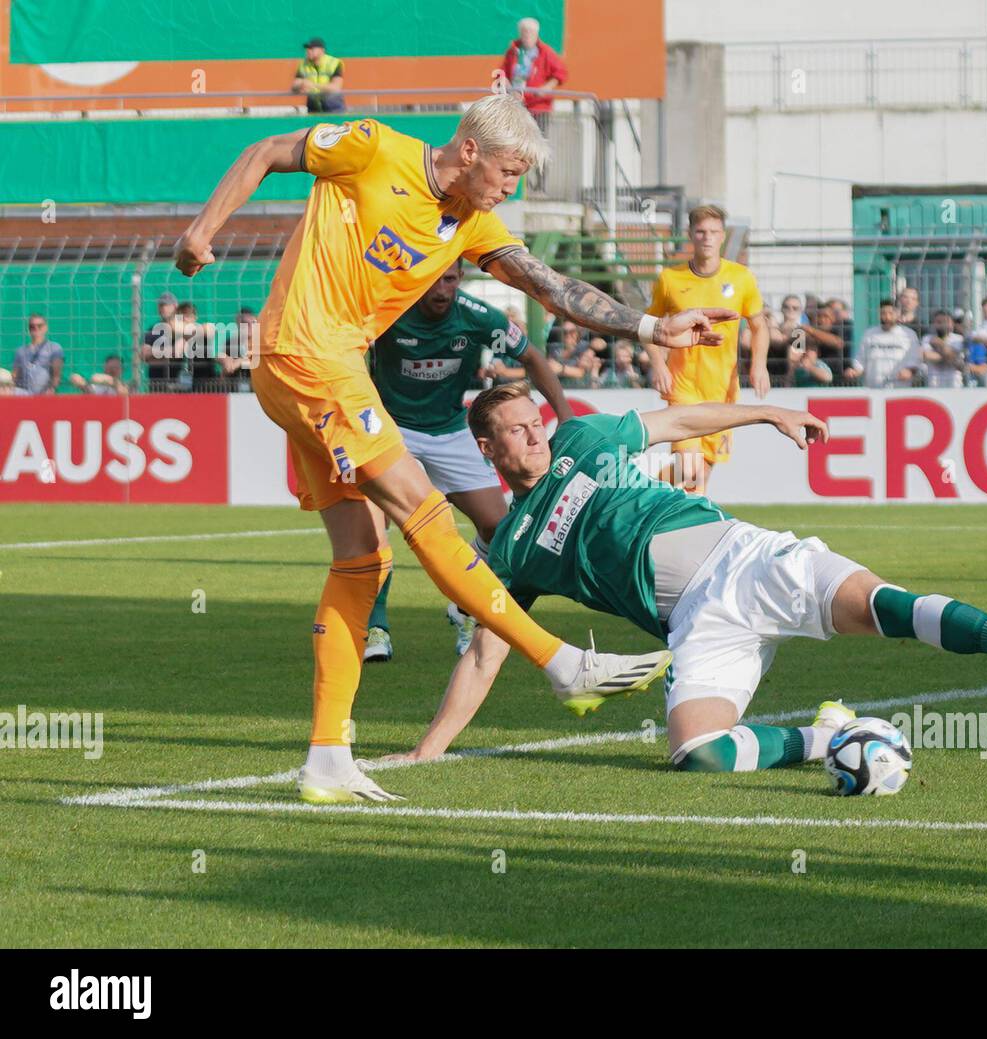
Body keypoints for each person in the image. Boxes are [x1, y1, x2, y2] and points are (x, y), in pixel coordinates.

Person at [174, 94, 734, 804]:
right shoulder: (374, 148)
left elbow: (547, 284)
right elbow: (266, 152)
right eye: (507, 170)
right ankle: (558, 660)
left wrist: (652, 330)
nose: (511, 186)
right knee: (422, 507)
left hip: (321, 369)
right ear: (469, 150)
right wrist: (202, 230)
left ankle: (325, 755)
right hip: (307, 357)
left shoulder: (471, 224)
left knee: (362, 557)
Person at [386, 385, 987, 772]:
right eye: (514, 429)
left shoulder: (582, 437)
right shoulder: (511, 548)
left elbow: (682, 417)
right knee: (697, 754)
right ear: (488, 448)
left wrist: (767, 410)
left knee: (878, 604)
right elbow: (487, 649)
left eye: (533, 421)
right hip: (697, 624)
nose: (533, 434)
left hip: (746, 560)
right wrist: (429, 748)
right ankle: (832, 737)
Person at [362, 259, 573, 664]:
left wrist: (563, 415)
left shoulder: (476, 316)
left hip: (451, 431)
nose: (442, 290)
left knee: (500, 530)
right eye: (434, 280)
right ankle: (377, 627)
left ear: (460, 279)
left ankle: (464, 607)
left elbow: (530, 356)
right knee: (373, 535)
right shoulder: (388, 308)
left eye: (451, 279)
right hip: (389, 430)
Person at [645, 204, 767, 495]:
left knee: (701, 475)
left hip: (723, 389)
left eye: (713, 232)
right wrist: (659, 365)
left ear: (722, 236)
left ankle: (648, 494)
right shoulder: (670, 279)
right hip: (683, 385)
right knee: (690, 470)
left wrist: (759, 365)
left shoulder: (741, 278)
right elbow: (648, 327)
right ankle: (660, 508)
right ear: (690, 235)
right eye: (700, 232)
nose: (707, 238)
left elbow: (760, 326)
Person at [500, 18, 567, 126]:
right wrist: (510, 90)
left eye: (530, 32)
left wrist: (546, 88)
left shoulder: (545, 52)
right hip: (516, 105)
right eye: (524, 32)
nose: (527, 35)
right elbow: (502, 73)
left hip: (538, 107)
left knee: (537, 139)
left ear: (536, 34)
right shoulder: (513, 50)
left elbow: (561, 73)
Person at [858, 299, 920, 388]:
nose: (887, 317)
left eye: (891, 313)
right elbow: (860, 360)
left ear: (898, 314)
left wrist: (909, 371)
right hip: (873, 390)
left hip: (899, 389)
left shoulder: (908, 334)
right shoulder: (869, 334)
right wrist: (855, 371)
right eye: (883, 313)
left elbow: (915, 359)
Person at [12, 313, 63, 394]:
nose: (36, 328)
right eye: (32, 326)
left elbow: (56, 376)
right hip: (24, 393)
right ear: (28, 329)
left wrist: (51, 389)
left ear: (45, 328)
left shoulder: (54, 348)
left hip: (45, 393)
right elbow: (14, 376)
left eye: (39, 325)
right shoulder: (20, 351)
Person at [292, 37, 345, 114]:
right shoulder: (303, 64)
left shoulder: (335, 63)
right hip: (313, 108)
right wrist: (301, 84)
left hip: (333, 107)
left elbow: (336, 87)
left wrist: (312, 85)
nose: (308, 51)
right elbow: (294, 86)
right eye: (307, 49)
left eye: (311, 48)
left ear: (322, 50)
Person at [921, 309, 965, 389]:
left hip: (955, 385)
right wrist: (948, 355)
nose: (943, 325)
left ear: (952, 324)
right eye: (939, 322)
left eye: (946, 321)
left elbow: (959, 364)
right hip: (933, 385)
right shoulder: (927, 338)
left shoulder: (958, 339)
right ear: (934, 324)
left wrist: (940, 344)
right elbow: (927, 355)